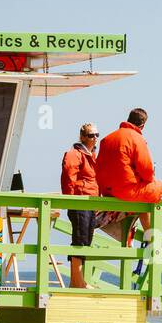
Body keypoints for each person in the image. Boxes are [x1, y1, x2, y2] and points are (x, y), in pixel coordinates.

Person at [60, 123, 100, 288]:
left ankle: (78, 281)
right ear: (82, 137)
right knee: (79, 241)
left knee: (86, 241)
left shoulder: (92, 155)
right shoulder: (75, 154)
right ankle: (77, 282)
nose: (95, 138)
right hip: (80, 202)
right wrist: (71, 200)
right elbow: (69, 175)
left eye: (97, 134)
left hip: (90, 203)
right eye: (91, 135)